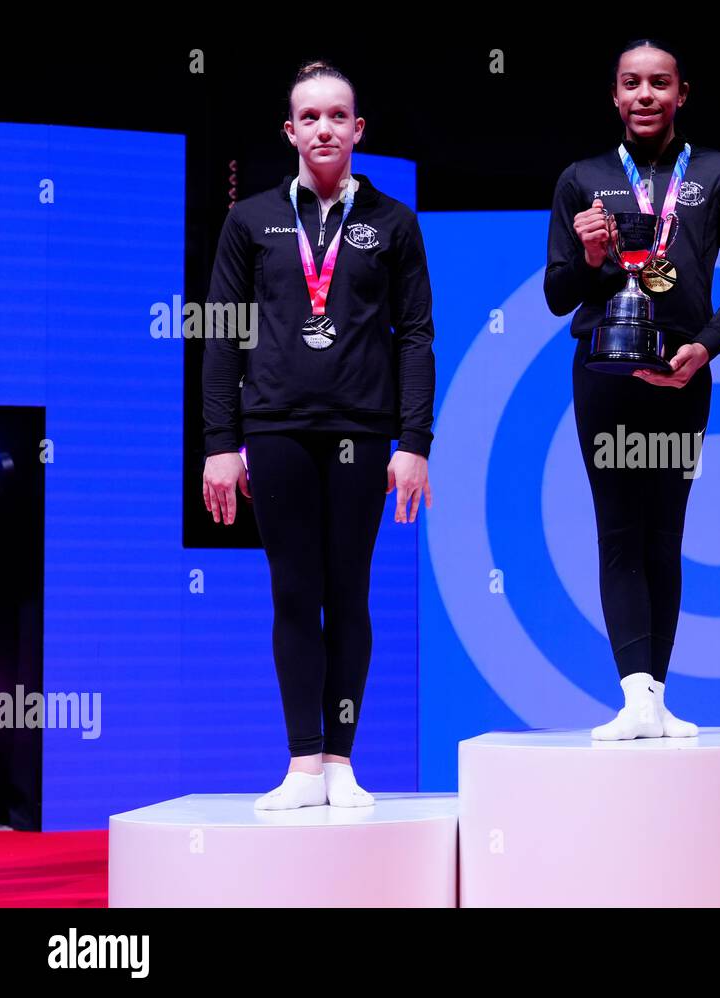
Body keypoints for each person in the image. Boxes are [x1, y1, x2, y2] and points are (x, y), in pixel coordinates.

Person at [202, 60, 436, 809]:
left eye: (339, 116)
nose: (325, 128)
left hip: (364, 434)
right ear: (290, 131)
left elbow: (416, 338)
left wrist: (414, 443)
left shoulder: (393, 224)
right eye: (311, 117)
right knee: (294, 594)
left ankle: (342, 758)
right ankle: (303, 763)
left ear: (358, 129)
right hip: (273, 432)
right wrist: (217, 442)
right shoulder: (250, 222)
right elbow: (221, 339)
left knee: (351, 592)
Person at [544, 39, 720, 740]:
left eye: (659, 84)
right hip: (604, 377)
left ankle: (657, 697)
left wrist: (702, 349)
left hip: (682, 377)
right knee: (617, 530)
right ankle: (633, 696)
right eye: (632, 84)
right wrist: (586, 257)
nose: (645, 95)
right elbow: (557, 295)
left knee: (664, 534)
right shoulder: (580, 178)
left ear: (681, 94)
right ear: (614, 96)